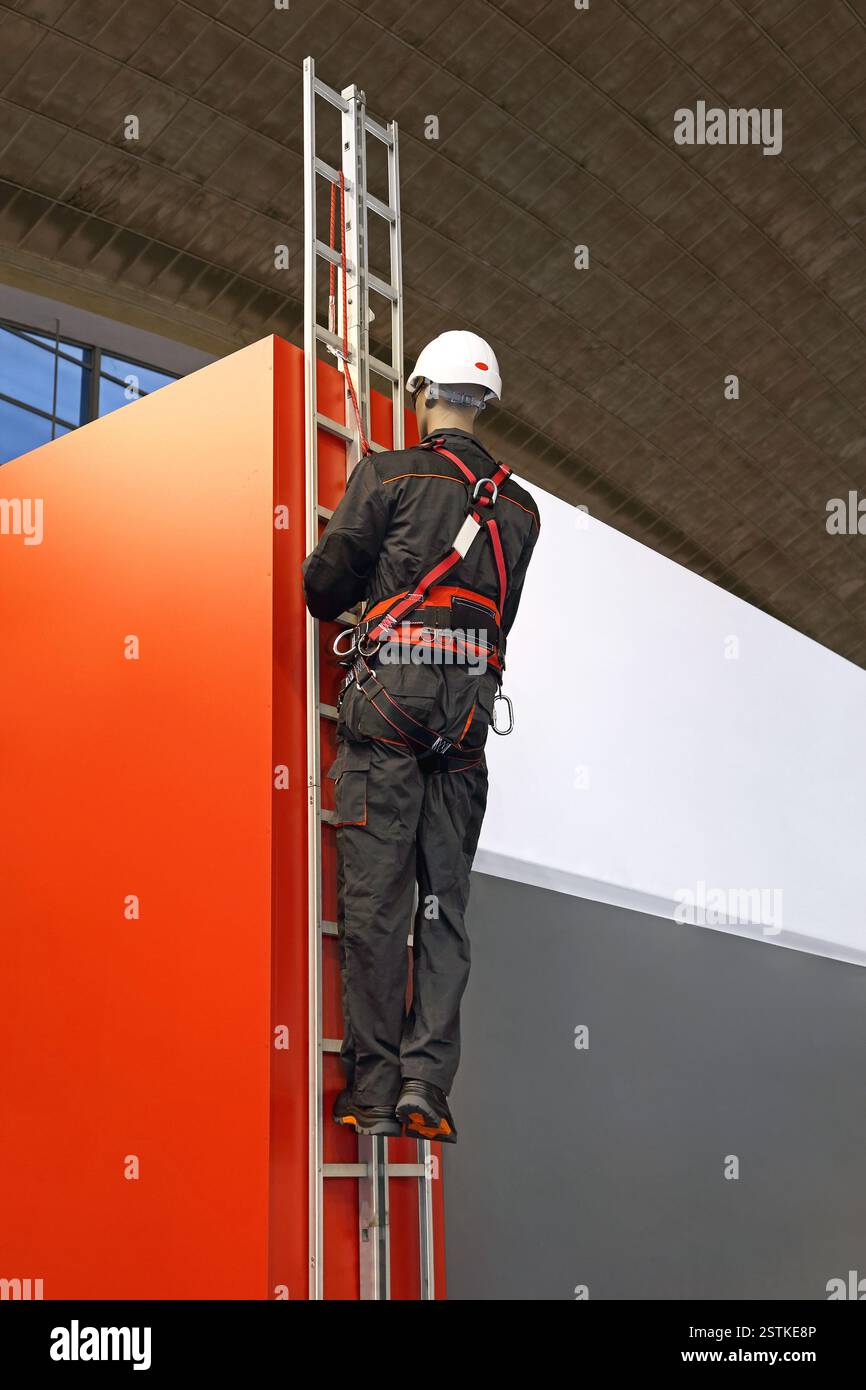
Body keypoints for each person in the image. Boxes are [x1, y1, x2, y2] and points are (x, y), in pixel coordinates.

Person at [302, 330, 540, 1143]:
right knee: (442, 912)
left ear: (422, 393)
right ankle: (426, 1091)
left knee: (376, 906)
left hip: (389, 716)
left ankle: (372, 1091)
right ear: (487, 402)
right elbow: (496, 615)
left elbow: (321, 586)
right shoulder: (521, 509)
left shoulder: (389, 474)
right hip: (466, 725)